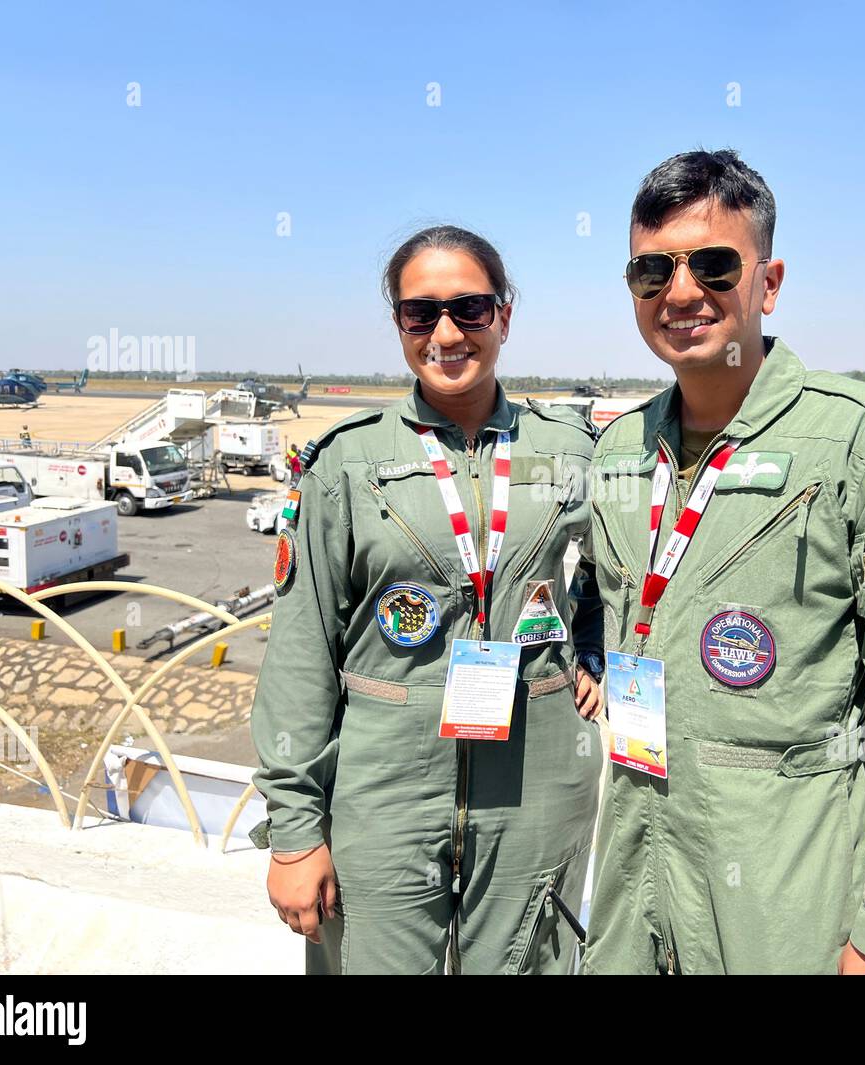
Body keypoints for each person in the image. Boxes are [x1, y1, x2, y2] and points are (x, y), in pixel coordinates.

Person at [583, 149, 865, 975]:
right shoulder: (620, 449)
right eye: (652, 269)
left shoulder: (861, 444)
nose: (681, 291)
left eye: (714, 263)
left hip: (781, 903)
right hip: (634, 868)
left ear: (767, 284)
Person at [249, 225, 605, 974]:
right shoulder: (346, 463)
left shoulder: (569, 450)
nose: (447, 332)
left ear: (504, 315)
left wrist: (595, 650)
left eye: (470, 309)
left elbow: (619, 566)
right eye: (422, 314)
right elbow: (300, 651)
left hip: (534, 780)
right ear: (400, 326)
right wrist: (294, 830)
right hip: (385, 787)